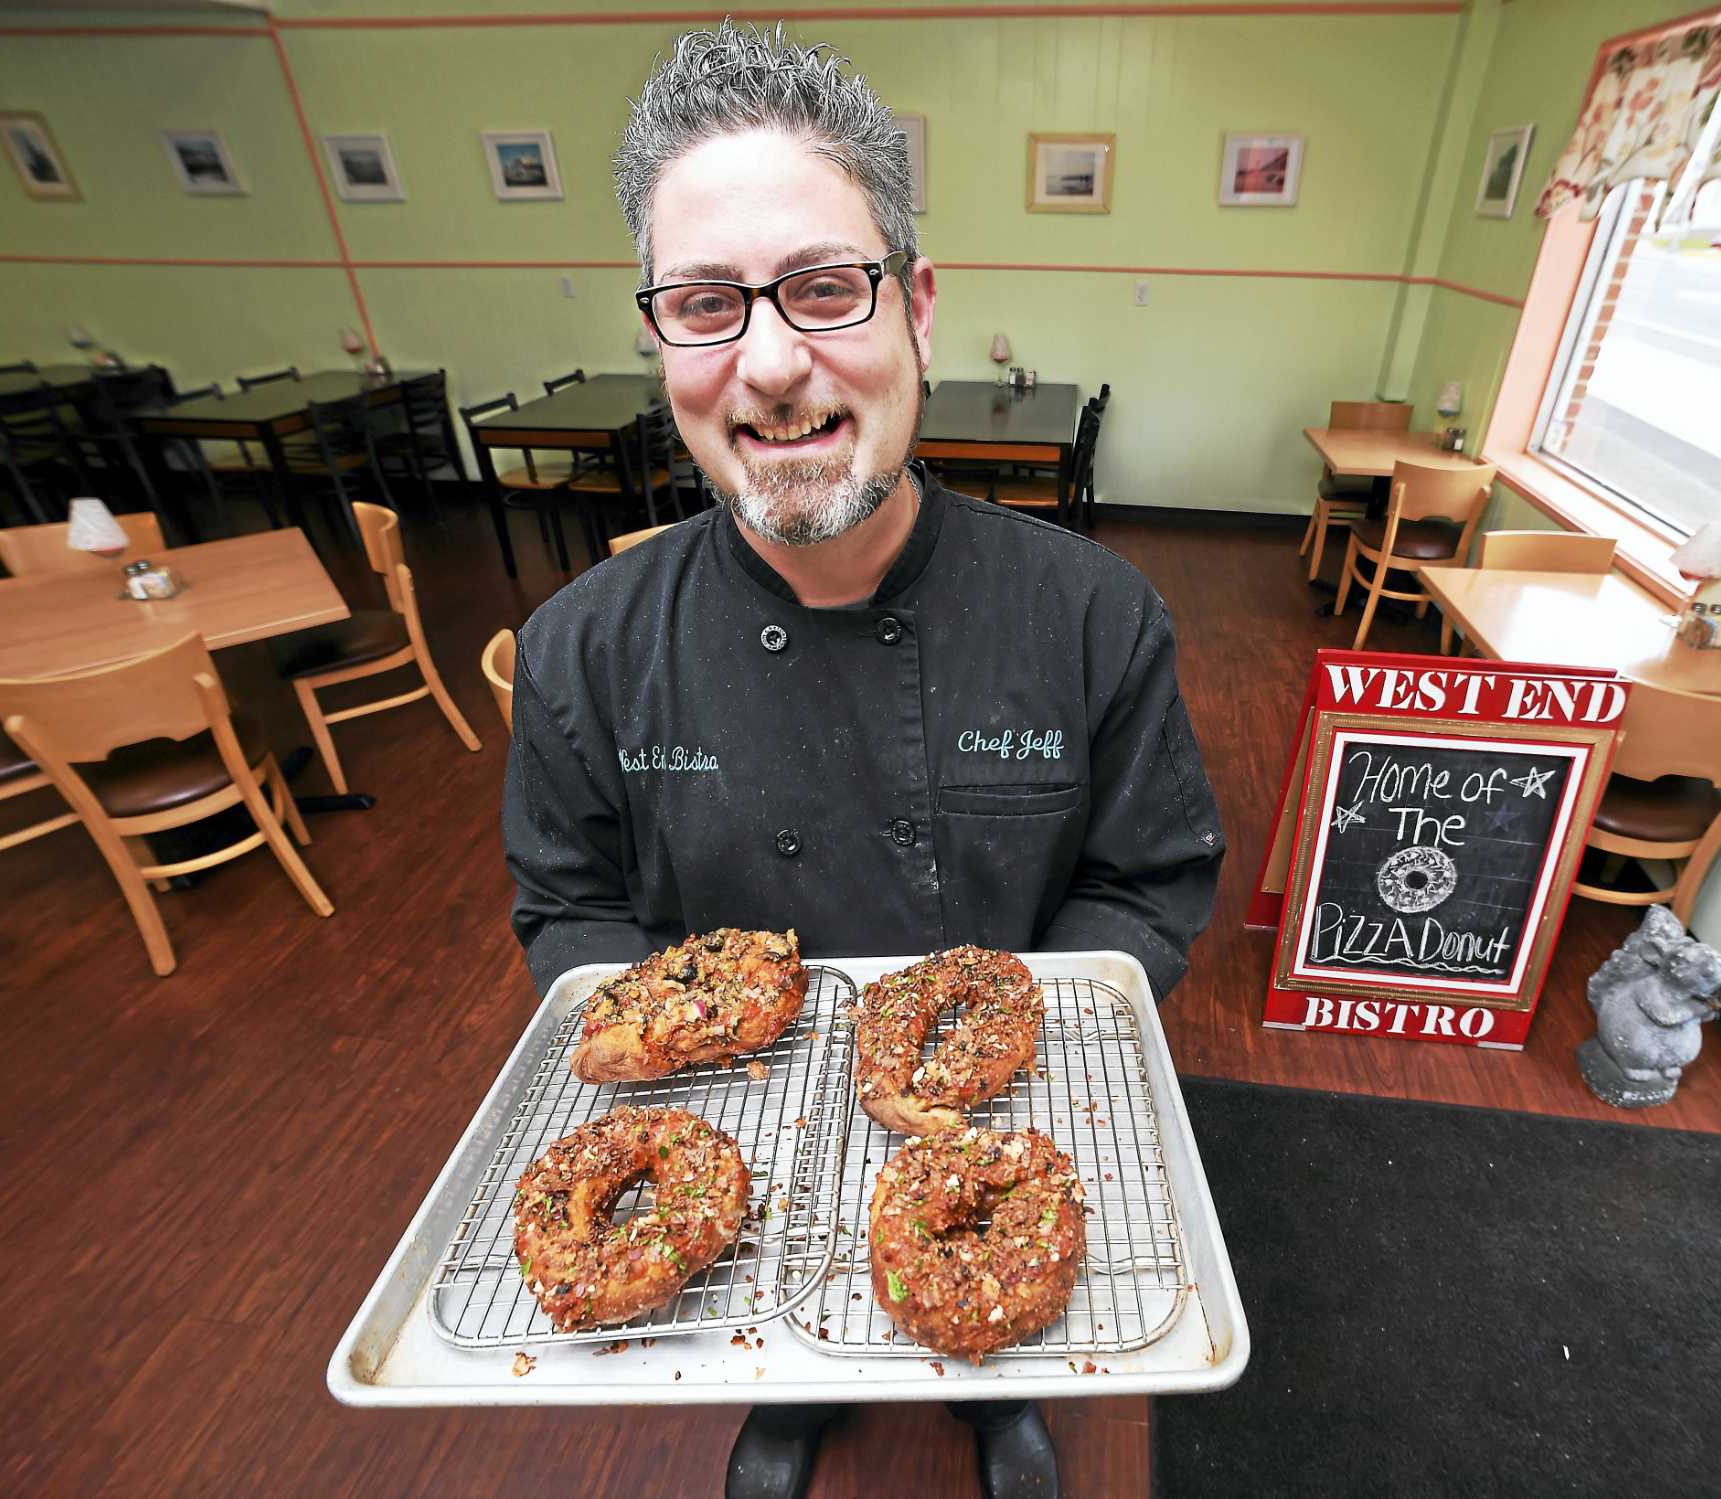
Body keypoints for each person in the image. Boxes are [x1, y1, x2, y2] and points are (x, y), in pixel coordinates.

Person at [503, 21, 1226, 1499]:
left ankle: (989, 1403)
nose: (771, 364)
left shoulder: (1091, 615)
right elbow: (566, 917)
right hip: (718, 1124)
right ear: (661, 346)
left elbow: (1147, 888)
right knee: (767, 1320)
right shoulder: (582, 650)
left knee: (987, 1316)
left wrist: (992, 1062)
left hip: (1000, 1115)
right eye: (707, 306)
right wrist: (698, 1069)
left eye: (827, 290)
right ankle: (786, 1398)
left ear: (919, 311)